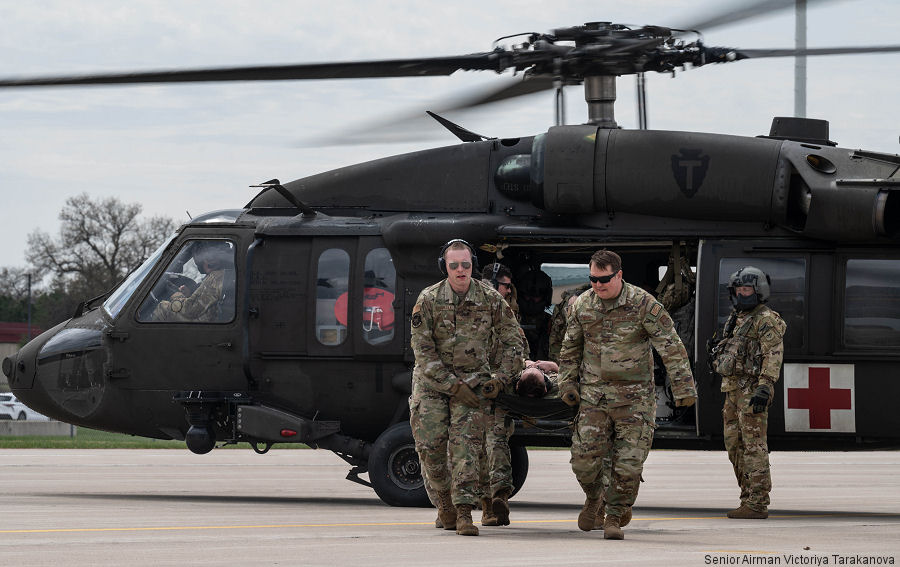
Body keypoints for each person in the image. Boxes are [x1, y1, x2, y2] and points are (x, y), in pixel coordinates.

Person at [558, 249, 697, 540]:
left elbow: (670, 345)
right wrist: (567, 385)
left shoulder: (643, 303)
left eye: (604, 279)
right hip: (594, 397)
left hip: (634, 400)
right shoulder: (583, 305)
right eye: (593, 279)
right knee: (583, 461)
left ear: (619, 275)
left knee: (628, 464)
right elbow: (570, 349)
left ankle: (614, 517)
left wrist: (684, 387)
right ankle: (595, 497)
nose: (598, 285)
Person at [409, 239, 523, 536]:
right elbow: (423, 351)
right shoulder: (429, 299)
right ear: (444, 267)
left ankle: (464, 513)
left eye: (466, 265)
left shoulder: (490, 298)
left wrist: (501, 378)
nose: (461, 270)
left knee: (467, 449)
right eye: (454, 265)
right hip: (433, 385)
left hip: (472, 385)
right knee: (431, 447)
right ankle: (444, 503)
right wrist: (450, 385)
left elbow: (514, 341)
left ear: (473, 265)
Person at [708, 266, 786, 520]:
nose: (742, 294)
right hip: (732, 390)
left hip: (752, 391)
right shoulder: (736, 318)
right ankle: (747, 498)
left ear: (759, 290)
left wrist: (765, 386)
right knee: (734, 445)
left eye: (747, 289)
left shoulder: (766, 319)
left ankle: (758, 502)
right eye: (739, 289)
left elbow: (773, 355)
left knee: (753, 446)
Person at [477, 262, 526, 527]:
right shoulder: (474, 310)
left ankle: (497, 500)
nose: (509, 290)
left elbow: (519, 349)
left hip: (499, 392)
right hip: (474, 391)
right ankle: (488, 504)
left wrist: (504, 377)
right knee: (479, 450)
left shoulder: (508, 315)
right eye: (505, 286)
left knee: (495, 445)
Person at [152, 241, 232, 322]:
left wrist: (176, 295)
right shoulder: (226, 274)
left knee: (161, 309)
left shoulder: (216, 277)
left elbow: (189, 310)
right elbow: (203, 304)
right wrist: (190, 295)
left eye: (211, 258)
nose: (208, 263)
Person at [516, 268, 553, 360]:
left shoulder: (551, 323)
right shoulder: (511, 320)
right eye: (527, 296)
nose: (531, 300)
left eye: (536, 296)